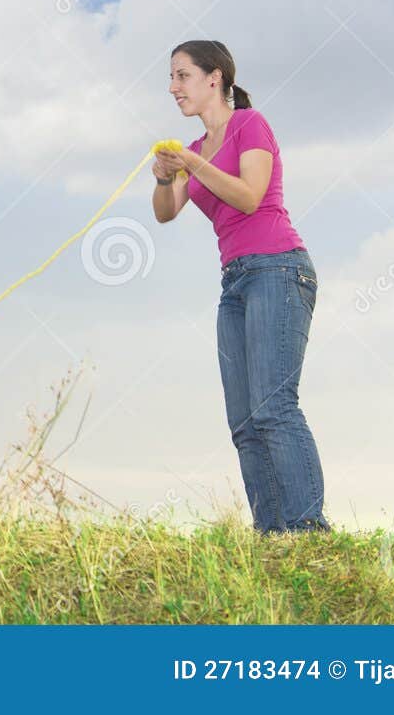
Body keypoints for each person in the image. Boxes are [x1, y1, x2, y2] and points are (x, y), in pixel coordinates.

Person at [152, 40, 329, 533]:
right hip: (235, 283)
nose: (173, 87)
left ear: (215, 78)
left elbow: (250, 197)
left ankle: (308, 531)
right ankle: (272, 539)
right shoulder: (192, 151)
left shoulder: (250, 124)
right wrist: (166, 177)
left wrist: (193, 166)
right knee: (245, 424)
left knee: (274, 407)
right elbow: (165, 213)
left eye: (182, 76)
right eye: (171, 78)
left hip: (279, 268)